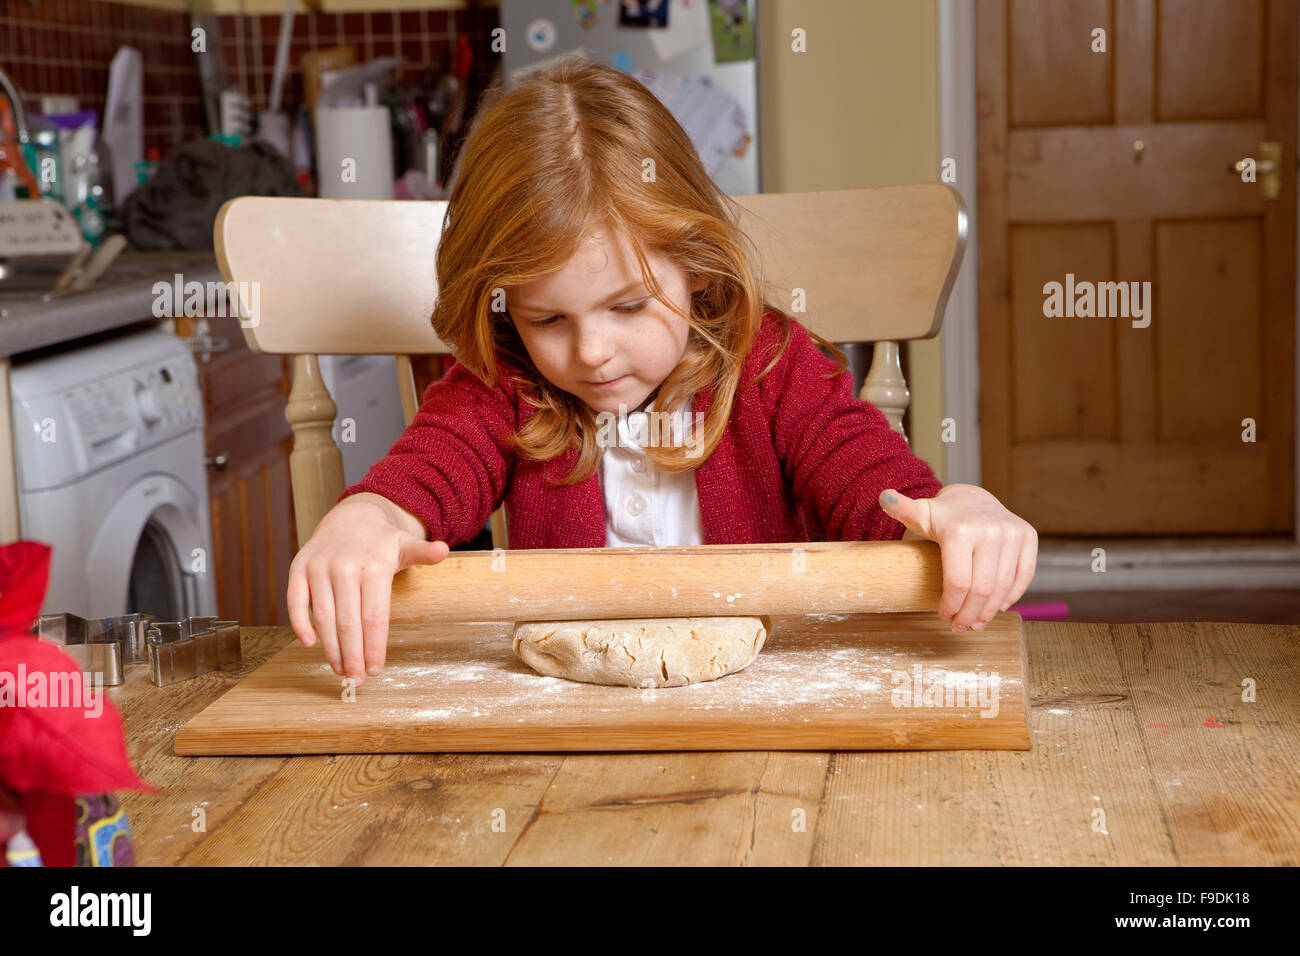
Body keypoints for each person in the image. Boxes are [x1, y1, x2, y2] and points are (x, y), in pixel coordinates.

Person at [286, 56, 1038, 685]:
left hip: (766, 694)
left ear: (695, 265)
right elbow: (430, 469)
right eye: (548, 319)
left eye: (628, 307)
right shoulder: (507, 385)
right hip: (569, 721)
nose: (591, 352)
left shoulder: (771, 367)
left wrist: (958, 510)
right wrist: (369, 518)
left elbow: (874, 488)